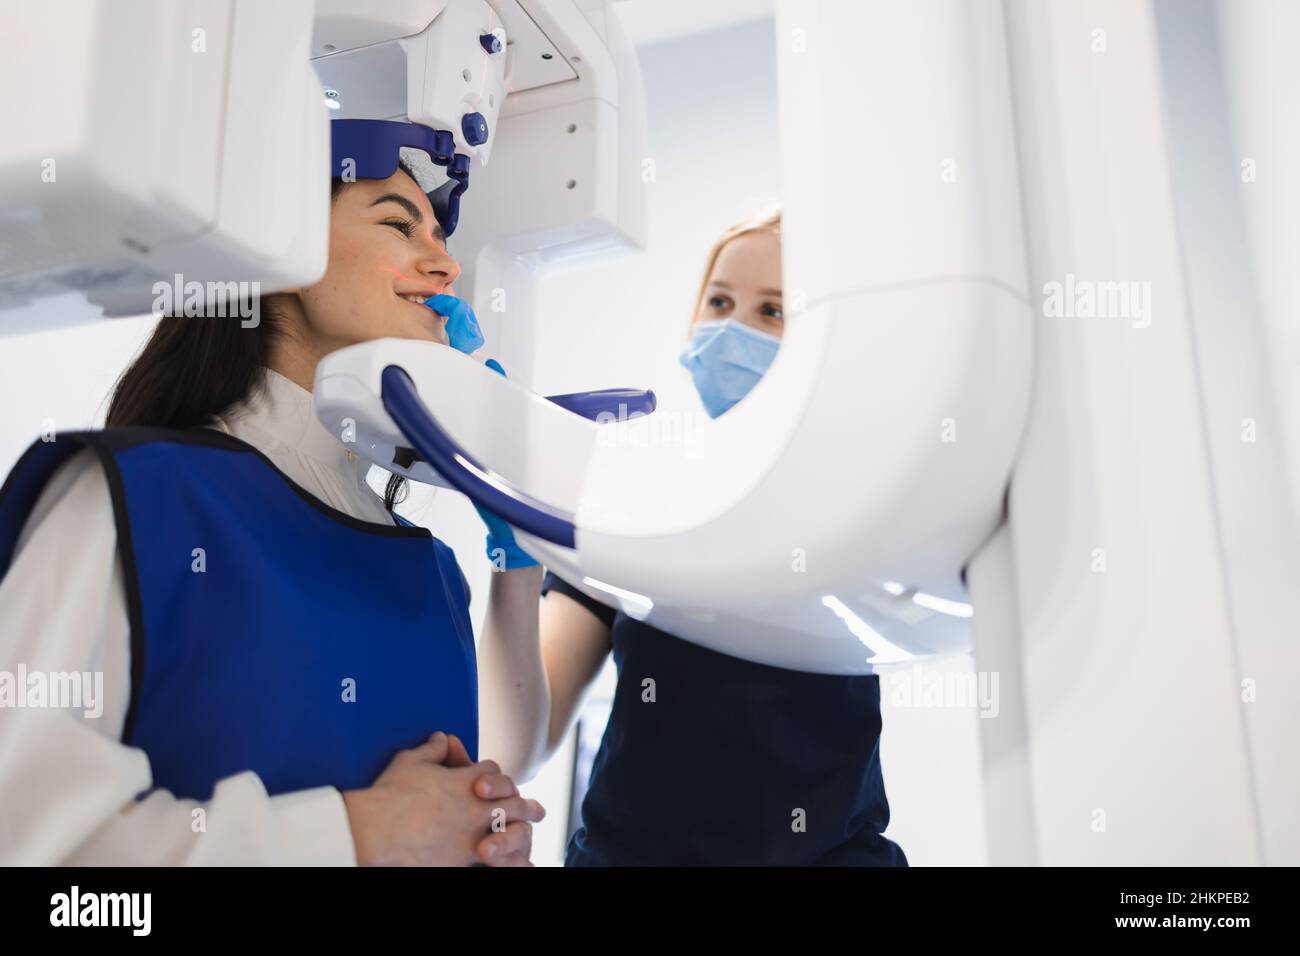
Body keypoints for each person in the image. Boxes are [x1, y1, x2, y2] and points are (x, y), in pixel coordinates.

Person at [0, 159, 545, 866]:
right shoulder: (131, 499)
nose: (445, 264)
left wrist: (479, 833)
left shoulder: (432, 570)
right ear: (281, 251)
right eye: (397, 223)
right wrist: (356, 835)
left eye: (438, 236)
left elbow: (497, 764)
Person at [478, 208, 907, 866]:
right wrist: (520, 553)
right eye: (720, 301)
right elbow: (513, 747)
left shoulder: (861, 505)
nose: (732, 329)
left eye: (772, 312)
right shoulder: (640, 501)